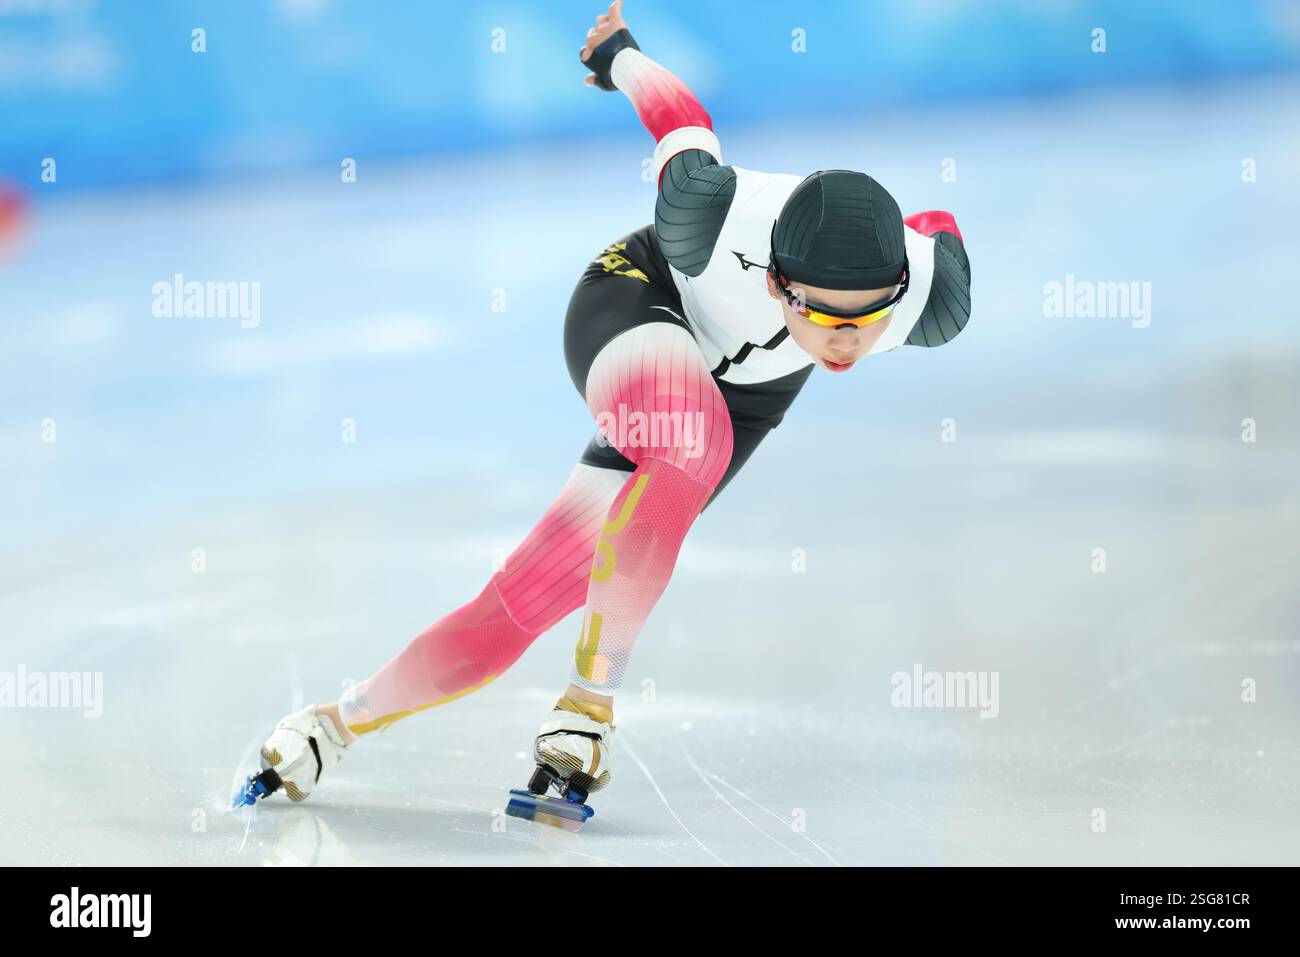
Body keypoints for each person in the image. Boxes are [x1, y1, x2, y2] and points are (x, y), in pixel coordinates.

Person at [239, 0, 971, 810]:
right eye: (826, 316)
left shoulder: (928, 297)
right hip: (638, 301)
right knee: (694, 440)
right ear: (774, 281)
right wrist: (618, 51)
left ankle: (327, 727)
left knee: (519, 604)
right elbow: (682, 122)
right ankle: (587, 708)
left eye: (870, 316)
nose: (846, 340)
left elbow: (935, 231)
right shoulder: (708, 212)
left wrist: (915, 251)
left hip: (740, 399)